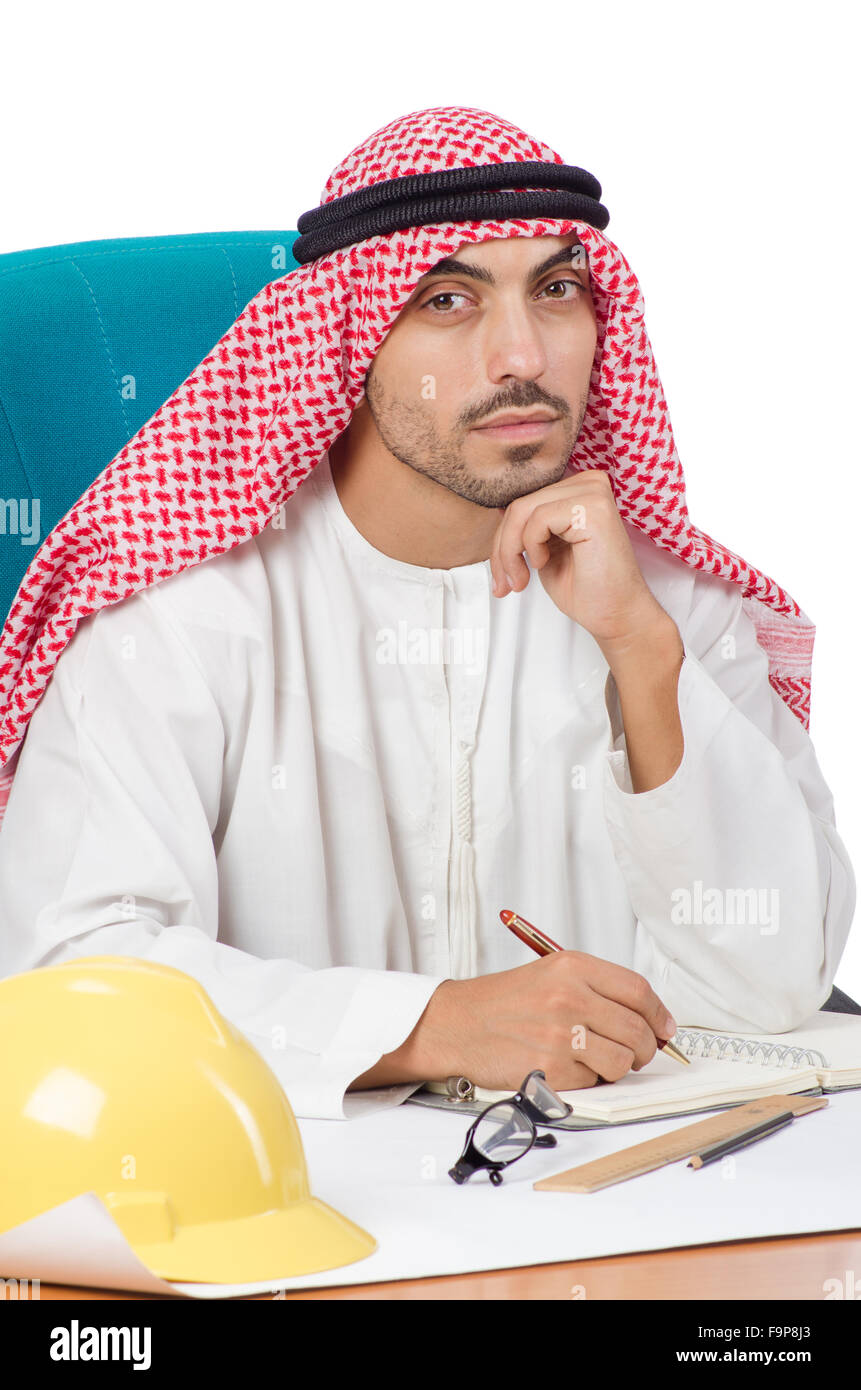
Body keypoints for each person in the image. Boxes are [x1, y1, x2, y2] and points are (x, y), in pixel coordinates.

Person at [0, 106, 855, 1120]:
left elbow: (774, 990)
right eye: (449, 298)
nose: (522, 356)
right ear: (348, 335)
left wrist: (641, 657)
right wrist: (434, 1024)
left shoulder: (669, 607)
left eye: (558, 290)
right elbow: (73, 980)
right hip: (290, 1237)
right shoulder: (183, 619)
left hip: (627, 1226)